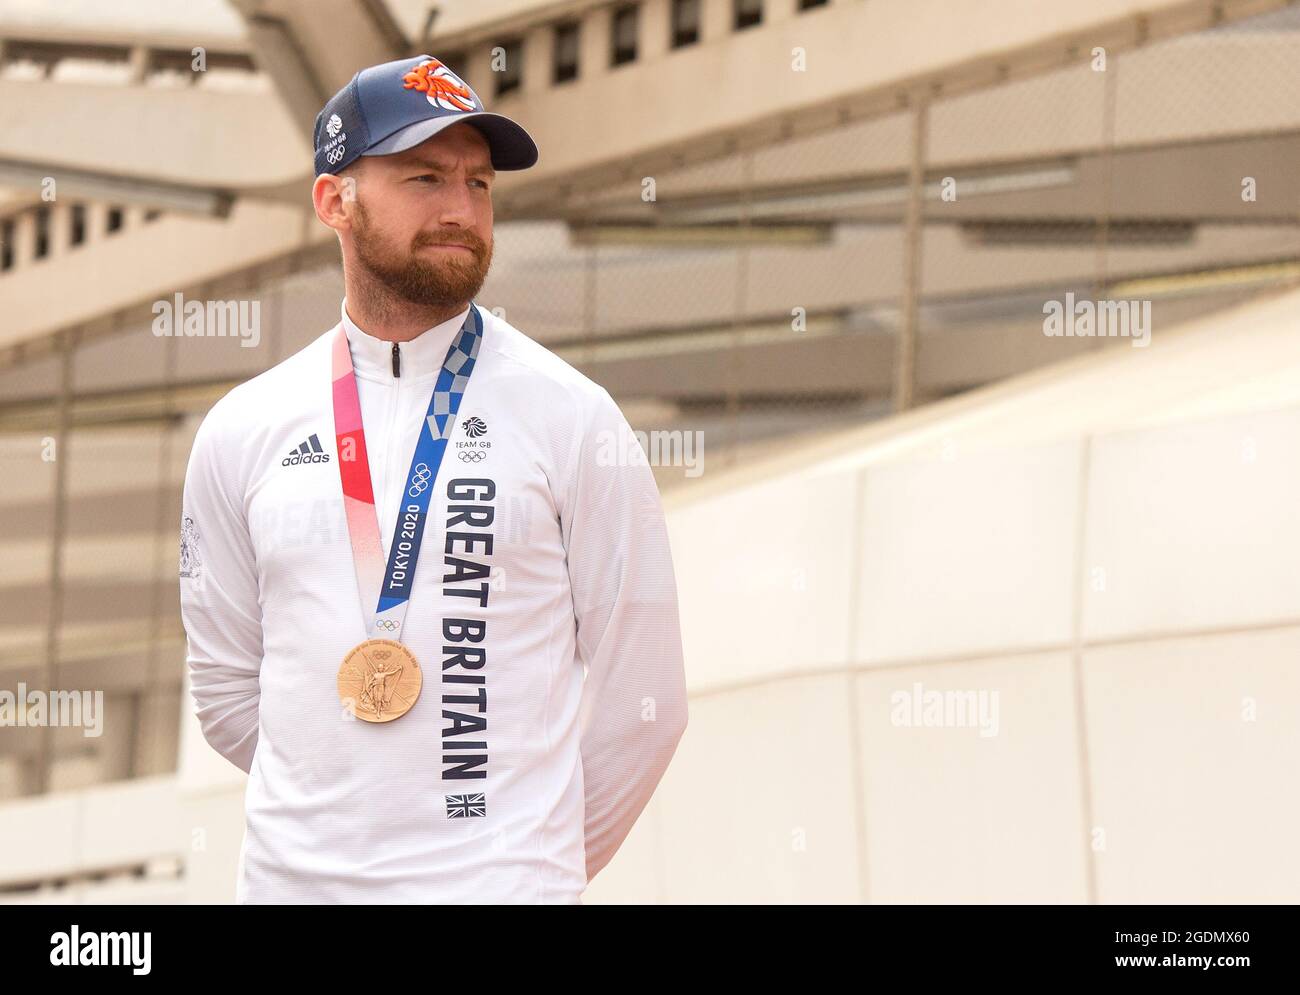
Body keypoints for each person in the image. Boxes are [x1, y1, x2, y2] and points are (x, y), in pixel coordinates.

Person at [179, 54, 689, 903]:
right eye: (424, 177)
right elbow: (229, 692)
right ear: (334, 200)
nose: (461, 210)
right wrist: (350, 808)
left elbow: (648, 701)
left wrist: (524, 866)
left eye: (479, 184)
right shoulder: (244, 429)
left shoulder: (573, 416)